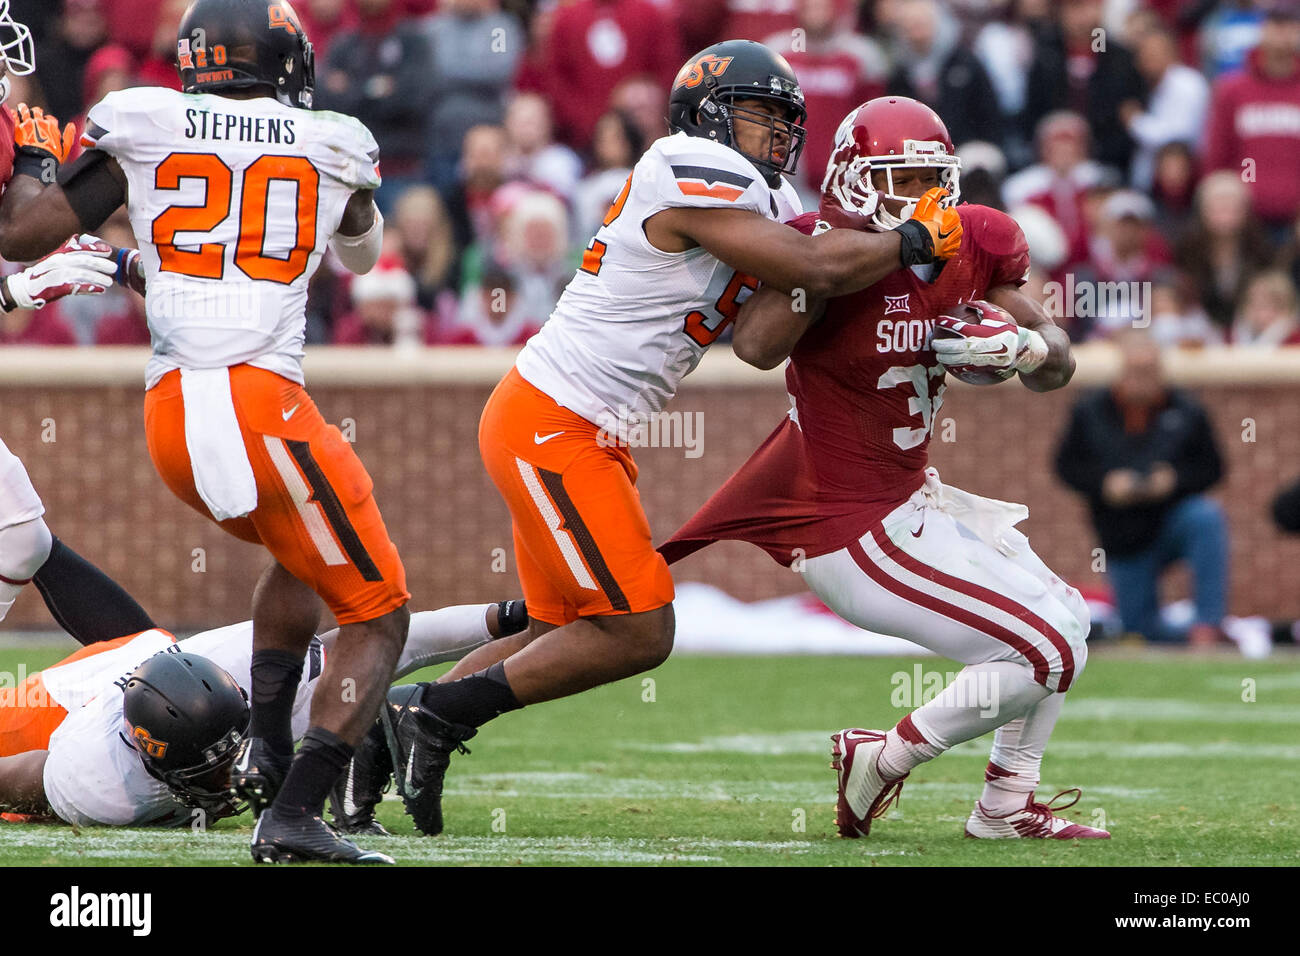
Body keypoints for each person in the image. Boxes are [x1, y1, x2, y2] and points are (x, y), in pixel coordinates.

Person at [384, 43, 965, 838]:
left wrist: (842, 245)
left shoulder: (765, 197)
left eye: (786, 120)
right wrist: (898, 243)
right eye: (762, 115)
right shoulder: (683, 162)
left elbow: (762, 340)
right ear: (712, 112)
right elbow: (805, 264)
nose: (779, 135)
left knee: (558, 631)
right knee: (641, 627)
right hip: (555, 419)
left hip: (582, 427)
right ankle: (434, 715)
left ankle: (392, 737)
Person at [0, 0, 409, 865]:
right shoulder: (333, 138)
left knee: (300, 562)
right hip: (263, 406)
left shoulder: (145, 117)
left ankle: (266, 747)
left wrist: (35, 156)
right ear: (284, 60)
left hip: (173, 416)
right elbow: (366, 256)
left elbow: (23, 232)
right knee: (379, 615)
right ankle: (295, 813)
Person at [660, 95, 1106, 841]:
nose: (921, 200)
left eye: (932, 180)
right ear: (854, 177)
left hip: (912, 503)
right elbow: (758, 347)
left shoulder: (977, 240)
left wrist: (1027, 350)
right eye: (900, 180)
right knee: (1046, 647)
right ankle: (883, 757)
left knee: (1068, 618)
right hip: (848, 528)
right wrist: (830, 264)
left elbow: (1056, 356)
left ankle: (1003, 806)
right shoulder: (816, 246)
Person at [1054, 331, 1228, 647]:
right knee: (1139, 631)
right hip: (1123, 534)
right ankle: (1185, 638)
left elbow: (1213, 468)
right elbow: (1066, 466)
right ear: (1122, 370)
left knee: (1206, 516)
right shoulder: (1091, 410)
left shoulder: (1187, 409)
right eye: (1136, 370)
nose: (1143, 379)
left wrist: (1174, 480)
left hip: (1172, 518)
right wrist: (1105, 484)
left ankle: (1207, 626)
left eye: (1150, 370)